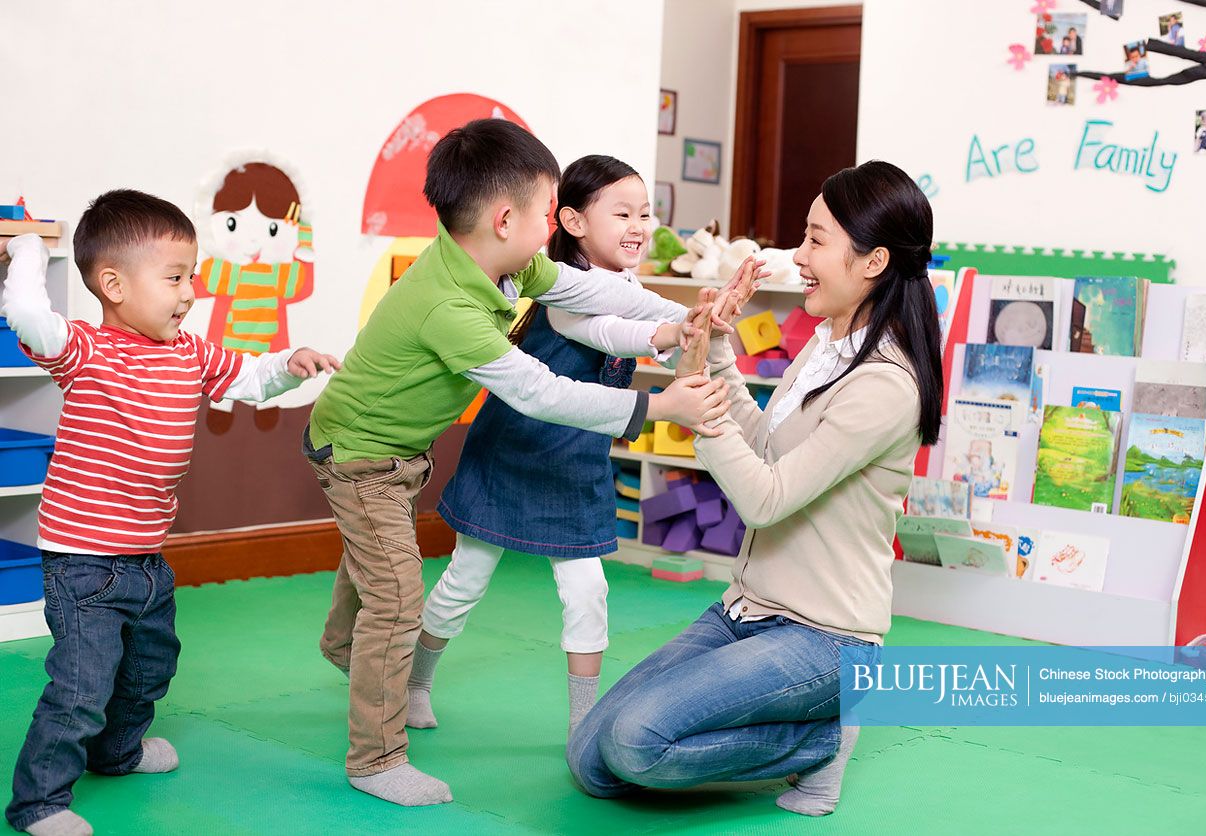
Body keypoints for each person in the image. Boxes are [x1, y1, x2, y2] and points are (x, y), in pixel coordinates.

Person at [304, 119, 728, 808]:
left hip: (400, 454)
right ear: (507, 218)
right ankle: (375, 758)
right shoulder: (447, 305)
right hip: (358, 454)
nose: (549, 228)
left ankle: (341, 641)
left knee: (381, 573)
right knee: (400, 599)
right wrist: (656, 409)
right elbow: (538, 391)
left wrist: (677, 320)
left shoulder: (504, 263)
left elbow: (591, 294)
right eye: (544, 211)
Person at [567, 160, 944, 818]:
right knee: (589, 759)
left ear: (873, 260)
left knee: (633, 745)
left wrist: (696, 417)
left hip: (826, 639)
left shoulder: (884, 382)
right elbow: (762, 443)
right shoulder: (828, 347)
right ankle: (802, 733)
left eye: (815, 240)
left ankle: (820, 740)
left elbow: (766, 496)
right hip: (746, 611)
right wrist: (715, 339)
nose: (797, 257)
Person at [1, 191, 339, 836]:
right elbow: (25, 312)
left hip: (146, 556)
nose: (191, 291)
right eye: (176, 277)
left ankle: (117, 752)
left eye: (192, 276)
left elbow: (246, 378)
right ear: (114, 285)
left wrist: (288, 367)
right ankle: (39, 802)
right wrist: (24, 249)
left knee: (152, 666)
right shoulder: (87, 351)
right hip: (82, 562)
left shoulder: (188, 351)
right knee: (79, 688)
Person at [417, 155, 721, 737]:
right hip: (514, 451)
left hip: (577, 461)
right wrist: (669, 332)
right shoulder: (559, 285)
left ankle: (584, 721)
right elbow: (605, 330)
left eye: (645, 214)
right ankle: (415, 681)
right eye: (622, 213)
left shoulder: (630, 286)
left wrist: (696, 320)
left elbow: (645, 326)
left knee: (588, 591)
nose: (638, 226)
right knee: (465, 580)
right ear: (574, 222)